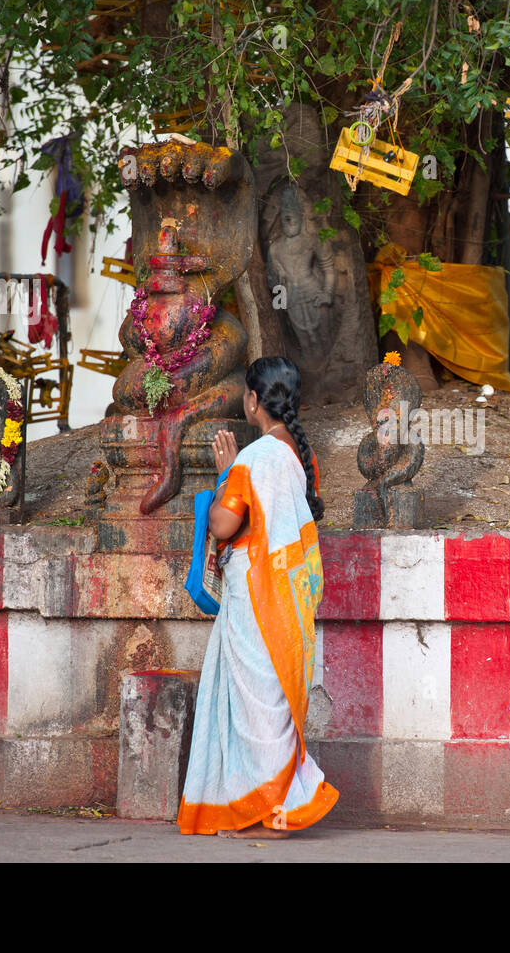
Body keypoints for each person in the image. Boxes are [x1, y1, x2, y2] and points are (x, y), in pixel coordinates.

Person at [176, 356, 337, 838]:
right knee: (274, 701)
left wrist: (225, 473)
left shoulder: (252, 459)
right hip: (289, 595)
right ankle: (266, 807)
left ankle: (275, 811)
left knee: (254, 706)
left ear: (252, 401)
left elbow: (225, 525)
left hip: (256, 596)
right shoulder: (298, 456)